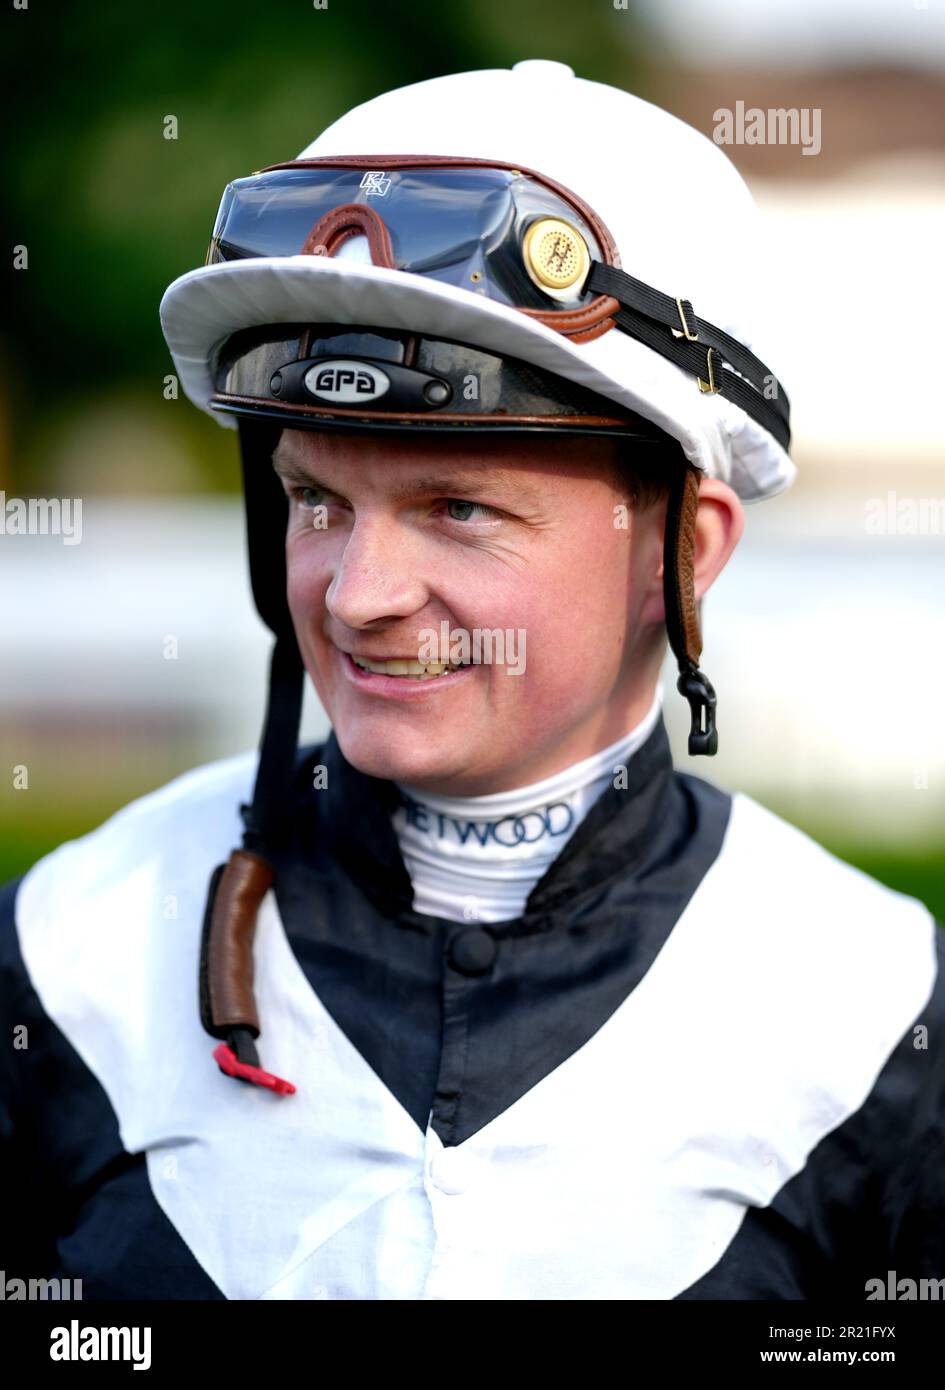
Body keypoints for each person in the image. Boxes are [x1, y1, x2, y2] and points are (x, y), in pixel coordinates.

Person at [1, 59, 942, 1302]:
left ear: (687, 551)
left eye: (458, 508)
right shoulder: (66, 953)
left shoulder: (878, 1014)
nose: (355, 595)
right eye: (316, 498)